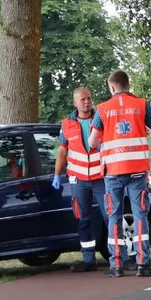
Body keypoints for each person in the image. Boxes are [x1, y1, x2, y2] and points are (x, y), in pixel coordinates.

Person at [89, 70, 151, 277]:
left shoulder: (102, 109)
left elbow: (92, 142)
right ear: (128, 85)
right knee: (141, 215)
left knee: (114, 216)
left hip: (112, 172)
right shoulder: (142, 105)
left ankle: (116, 265)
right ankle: (143, 264)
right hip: (137, 172)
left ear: (112, 87)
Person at [53, 87, 107, 272]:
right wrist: (56, 174)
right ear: (74, 103)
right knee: (84, 219)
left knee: (110, 216)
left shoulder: (101, 118)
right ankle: (88, 259)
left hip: (101, 177)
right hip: (79, 180)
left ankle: (122, 257)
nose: (87, 102)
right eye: (83, 99)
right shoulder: (67, 124)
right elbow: (62, 150)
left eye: (89, 98)